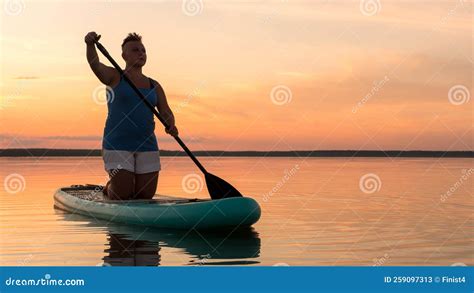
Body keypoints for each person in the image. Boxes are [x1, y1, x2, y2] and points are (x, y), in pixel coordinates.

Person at [84, 31, 178, 200]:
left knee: (145, 195)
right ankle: (109, 188)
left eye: (143, 50)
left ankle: (124, 186)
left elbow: (165, 111)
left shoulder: (154, 85)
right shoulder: (114, 76)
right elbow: (95, 64)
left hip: (147, 144)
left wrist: (171, 123)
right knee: (123, 195)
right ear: (124, 55)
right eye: (135, 50)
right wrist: (90, 45)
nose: (141, 53)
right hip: (118, 144)